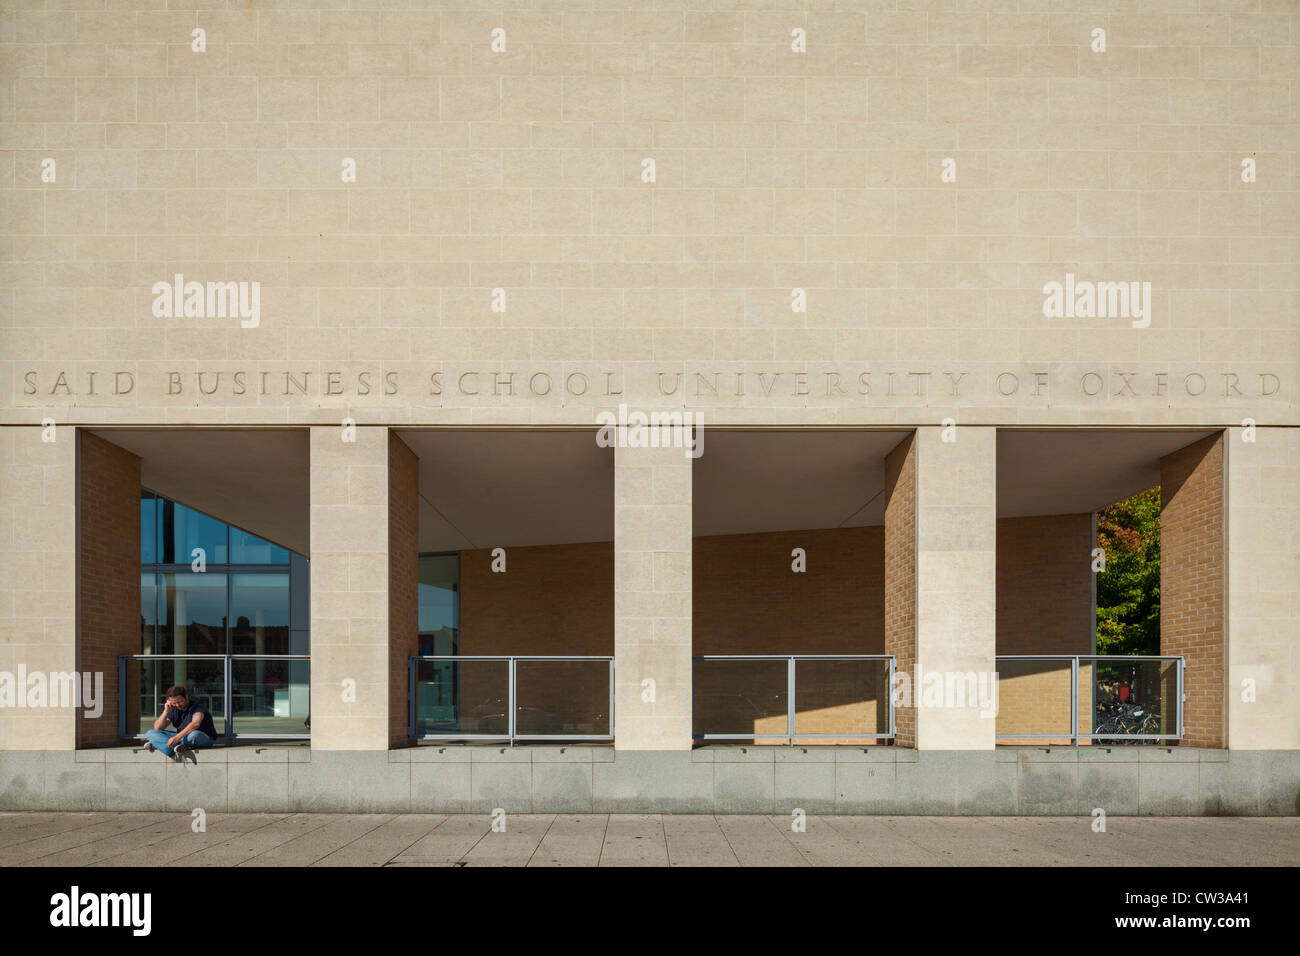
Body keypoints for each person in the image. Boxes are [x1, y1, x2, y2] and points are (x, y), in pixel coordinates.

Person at [145, 685, 217, 761]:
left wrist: (176, 738)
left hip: (202, 738)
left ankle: (159, 744)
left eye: (179, 702)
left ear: (186, 697)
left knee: (194, 735)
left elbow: (196, 723)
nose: (177, 705)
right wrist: (166, 711)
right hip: (182, 738)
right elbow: (158, 728)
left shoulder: (197, 707)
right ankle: (172, 749)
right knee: (151, 733)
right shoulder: (173, 709)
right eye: (174, 703)